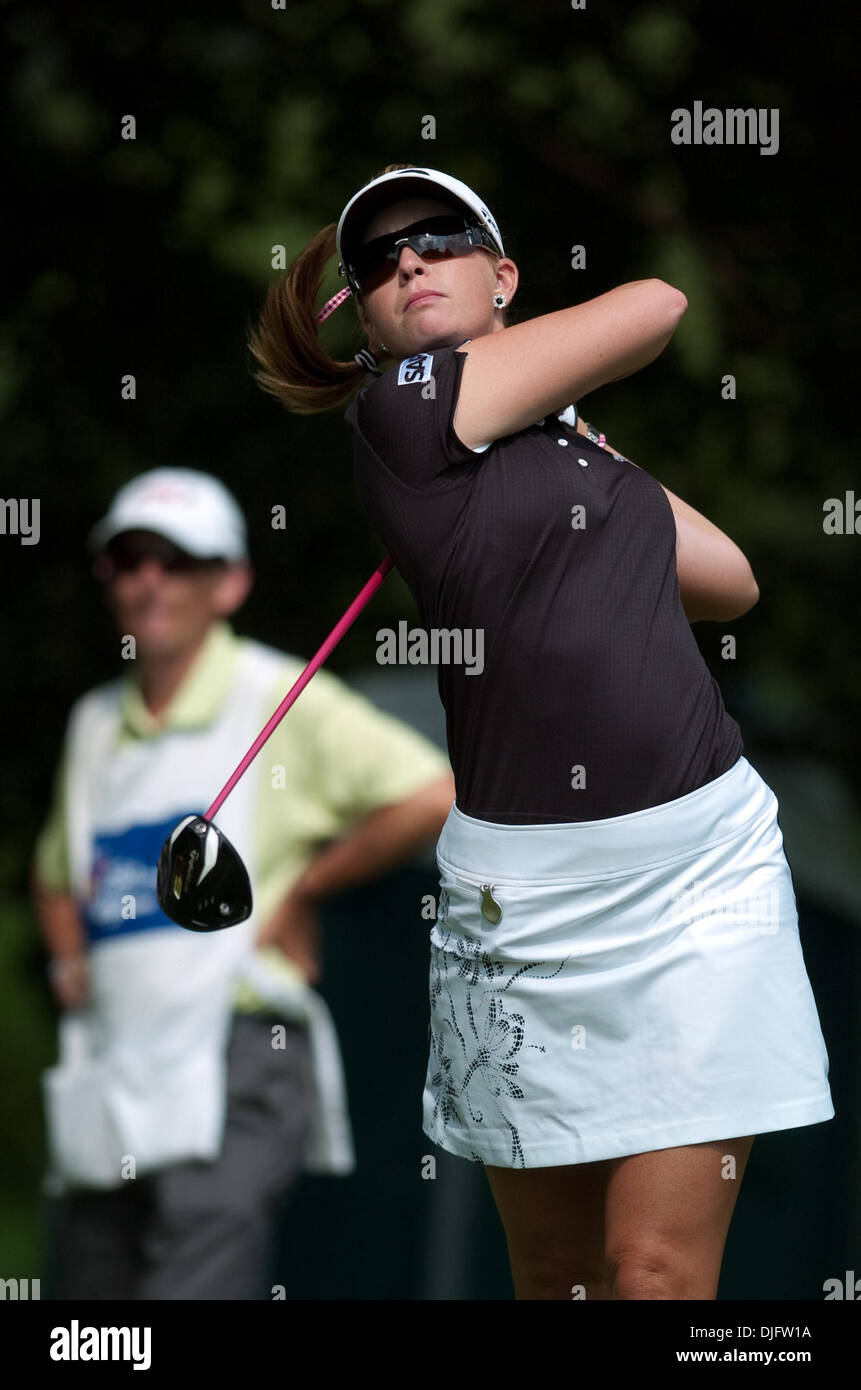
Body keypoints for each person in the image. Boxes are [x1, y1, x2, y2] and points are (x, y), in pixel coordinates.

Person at [245, 164, 835, 1301]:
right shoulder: (402, 408)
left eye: (440, 238)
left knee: (654, 1271)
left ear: (503, 275)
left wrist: (578, 441)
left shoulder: (564, 449)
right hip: (520, 902)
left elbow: (729, 580)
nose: (408, 261)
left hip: (699, 876)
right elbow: (657, 304)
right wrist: (542, 407)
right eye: (379, 260)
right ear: (368, 324)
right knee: (560, 1276)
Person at [31, 466, 455, 1300]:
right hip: (115, 1061)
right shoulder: (92, 725)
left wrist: (302, 891)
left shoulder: (275, 696)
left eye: (176, 560)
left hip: (240, 1057)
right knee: (90, 1318)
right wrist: (67, 962)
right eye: (130, 559)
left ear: (230, 582)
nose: (150, 580)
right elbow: (56, 877)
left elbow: (429, 793)